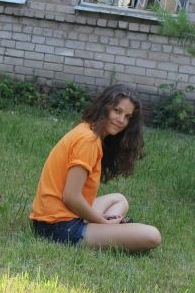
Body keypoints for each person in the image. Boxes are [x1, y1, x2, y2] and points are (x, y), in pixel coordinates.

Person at [30, 84, 161, 252]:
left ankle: (107, 229)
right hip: (58, 227)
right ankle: (109, 229)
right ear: (104, 107)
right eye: (117, 111)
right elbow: (71, 197)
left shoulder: (88, 130)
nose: (121, 120)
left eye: (127, 116)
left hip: (53, 219)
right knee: (152, 235)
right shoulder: (89, 141)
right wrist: (103, 222)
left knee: (119, 199)